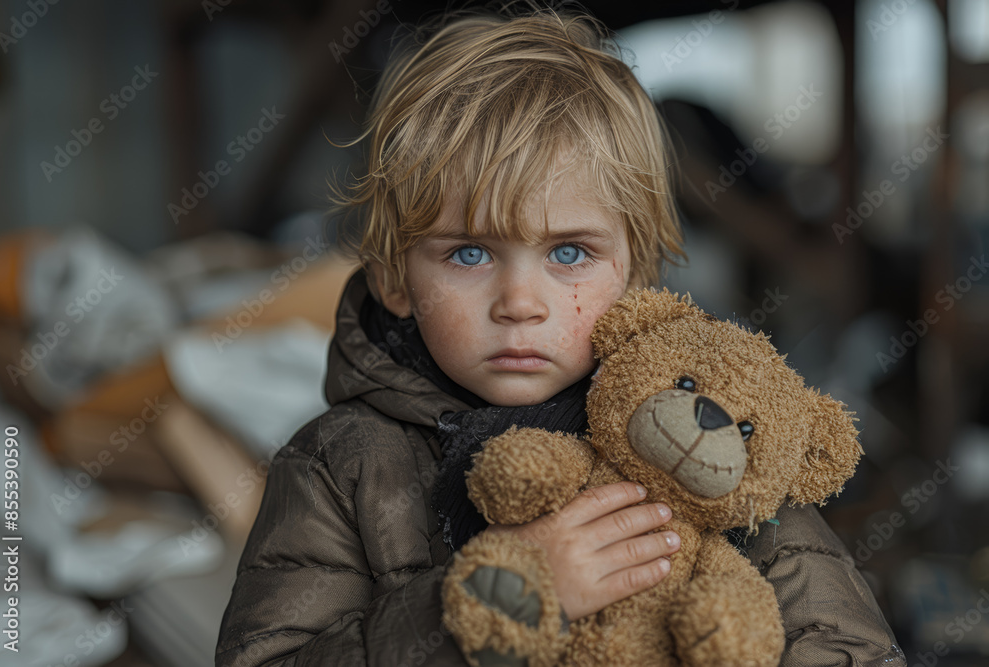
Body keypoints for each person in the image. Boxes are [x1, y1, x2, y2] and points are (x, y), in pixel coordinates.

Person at [216, 4, 905, 665]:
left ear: (635, 273)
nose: (519, 302)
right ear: (395, 275)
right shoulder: (340, 467)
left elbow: (851, 648)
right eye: (469, 252)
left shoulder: (714, 446)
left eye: (569, 252)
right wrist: (502, 598)